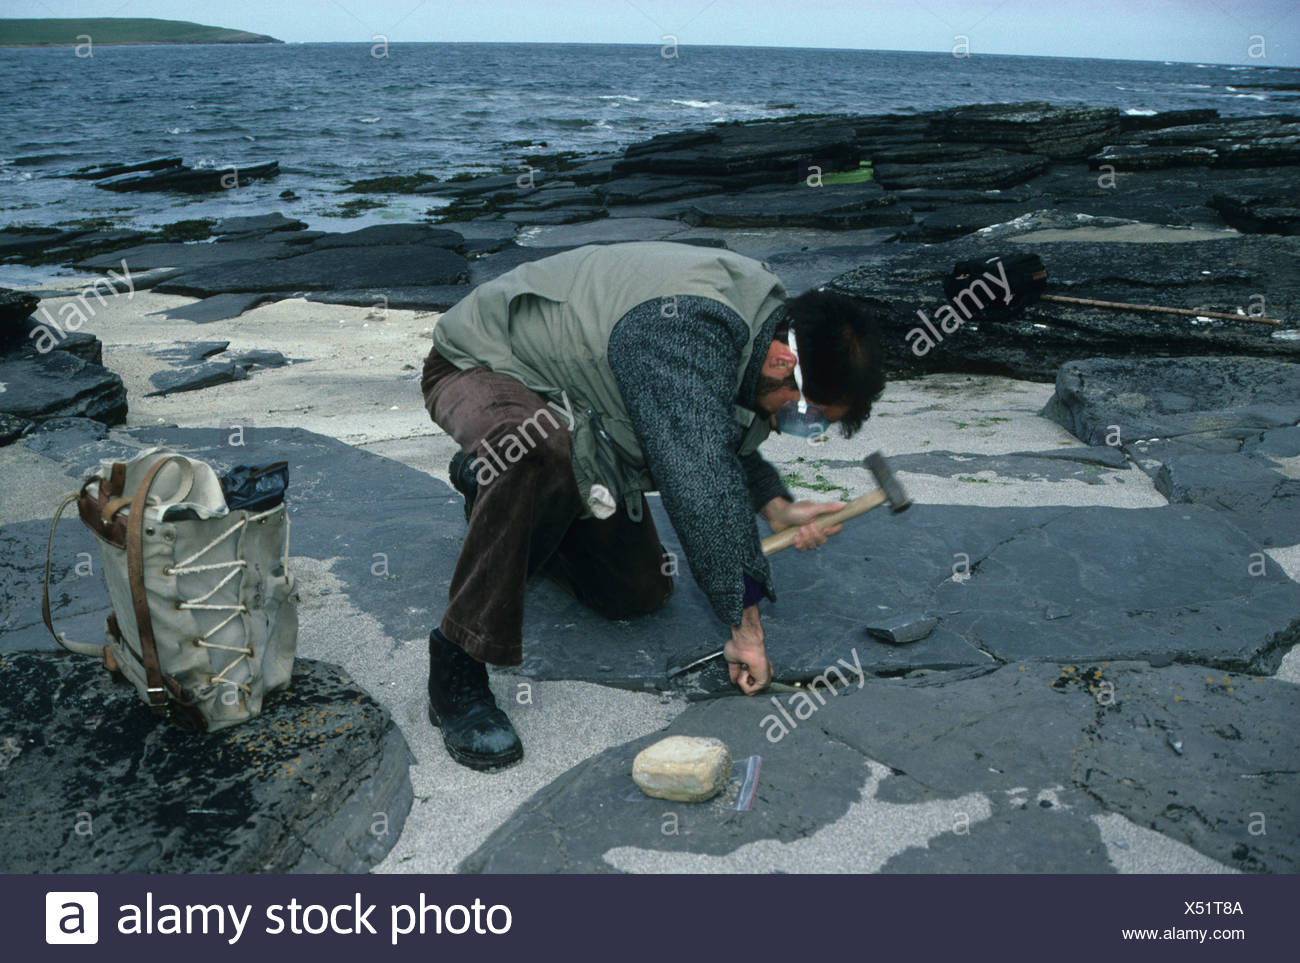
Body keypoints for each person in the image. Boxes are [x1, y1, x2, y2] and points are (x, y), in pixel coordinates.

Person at [420, 241, 885, 770]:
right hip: (485, 365)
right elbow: (700, 478)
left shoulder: (765, 328)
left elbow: (716, 427)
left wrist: (776, 507)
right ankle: (457, 661)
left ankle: (499, 495)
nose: (789, 427)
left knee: (635, 593)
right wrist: (746, 628)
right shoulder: (681, 330)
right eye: (804, 417)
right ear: (785, 361)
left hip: (585, 405)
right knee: (532, 449)